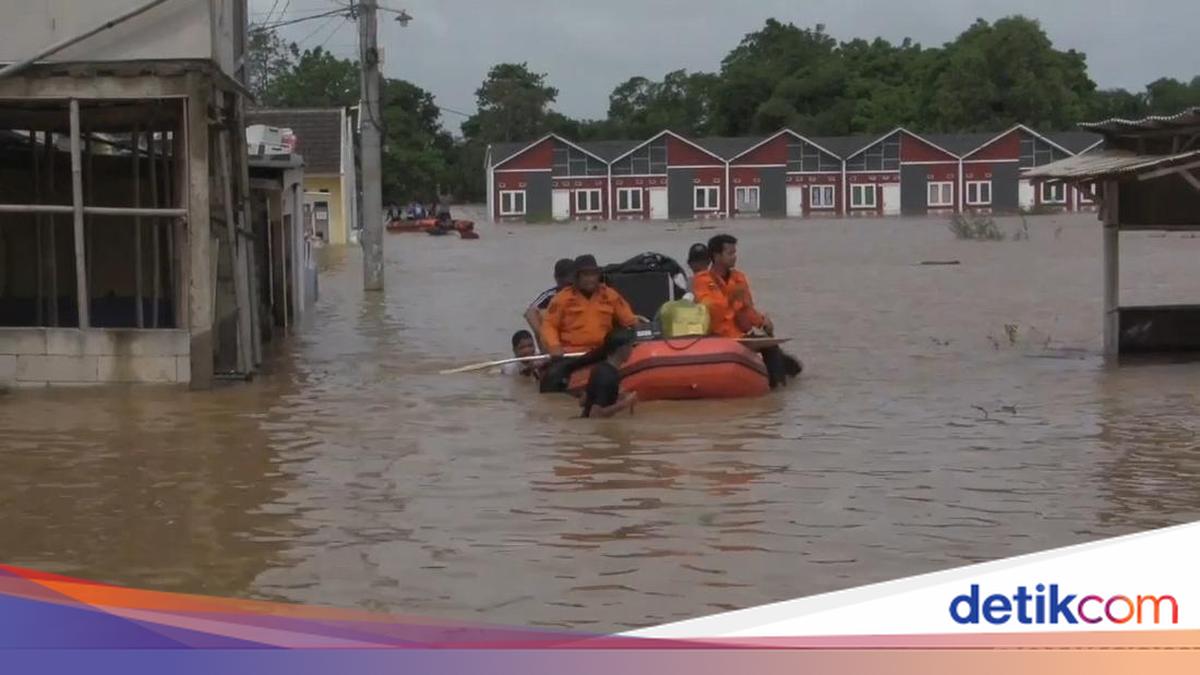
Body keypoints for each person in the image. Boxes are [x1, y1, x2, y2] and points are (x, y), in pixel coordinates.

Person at [692, 234, 801, 388]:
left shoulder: (739, 278)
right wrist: (730, 296)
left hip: (740, 335)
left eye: (735, 253)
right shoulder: (702, 280)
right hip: (716, 336)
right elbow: (712, 309)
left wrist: (763, 322)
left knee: (771, 347)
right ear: (716, 256)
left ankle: (776, 392)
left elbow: (747, 309)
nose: (734, 257)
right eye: (730, 253)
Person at [539, 254, 639, 393]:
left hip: (602, 352)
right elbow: (549, 325)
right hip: (573, 354)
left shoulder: (610, 295)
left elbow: (630, 321)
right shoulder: (562, 299)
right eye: (585, 275)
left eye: (593, 274)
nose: (590, 279)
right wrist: (554, 347)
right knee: (553, 377)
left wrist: (638, 338)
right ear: (576, 277)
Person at [581, 328, 639, 418]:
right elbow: (595, 415)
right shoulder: (609, 377)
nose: (632, 350)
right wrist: (625, 403)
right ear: (623, 349)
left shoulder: (599, 368)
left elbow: (583, 401)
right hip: (597, 431)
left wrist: (617, 394)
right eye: (631, 346)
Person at [525, 258, 576, 350]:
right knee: (542, 314)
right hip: (554, 338)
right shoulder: (550, 295)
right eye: (564, 283)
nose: (567, 288)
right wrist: (542, 334)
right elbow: (530, 313)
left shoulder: (583, 293)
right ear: (557, 279)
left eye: (570, 283)